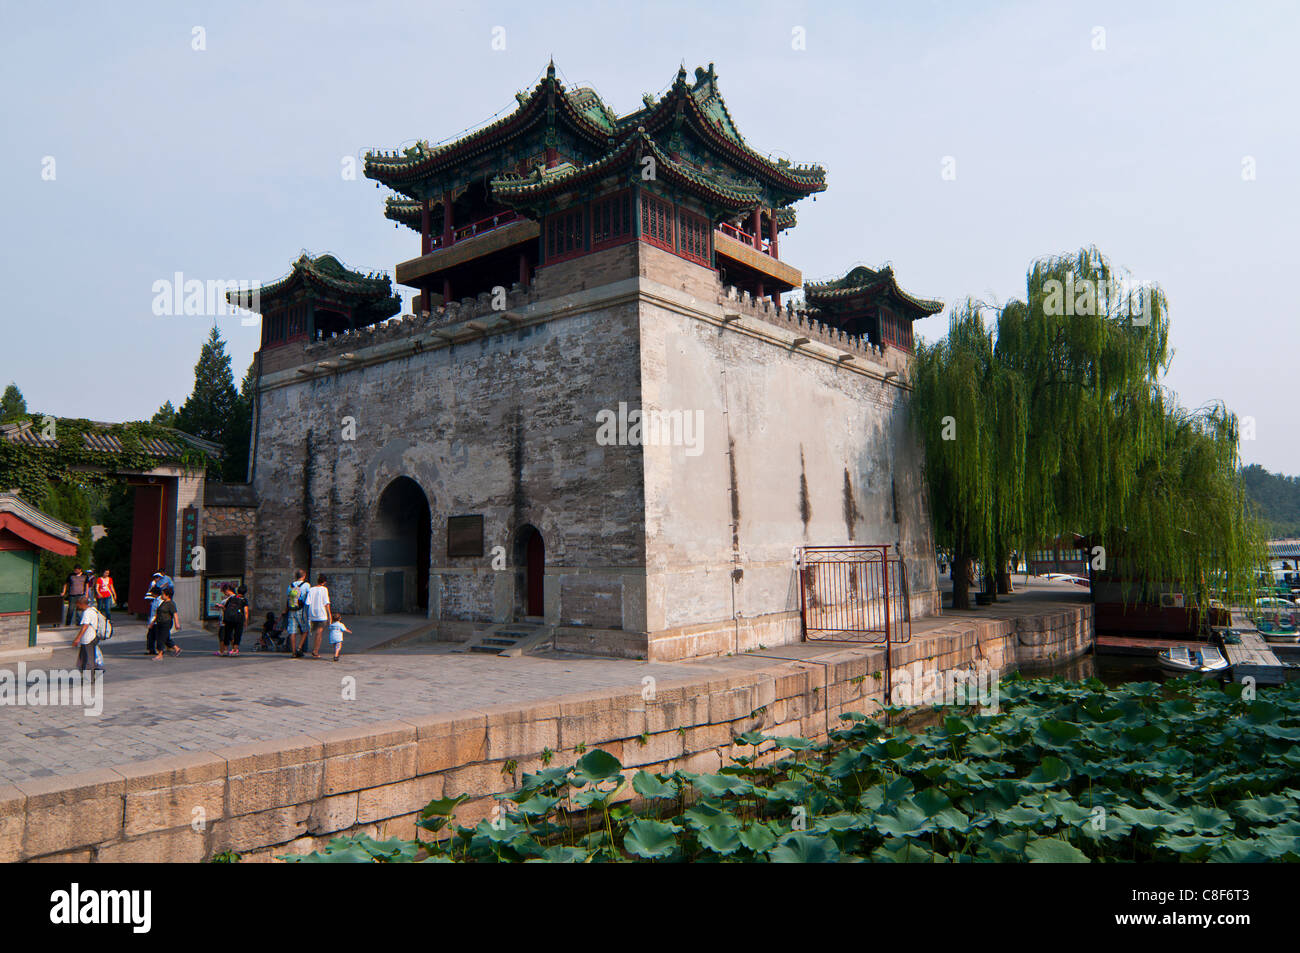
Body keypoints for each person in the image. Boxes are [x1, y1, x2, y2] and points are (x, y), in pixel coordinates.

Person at [72, 596, 105, 674]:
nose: (77, 606)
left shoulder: (86, 612)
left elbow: (85, 626)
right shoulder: (93, 610)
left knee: (88, 659)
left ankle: (89, 677)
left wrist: (77, 639)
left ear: (81, 604)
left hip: (88, 639)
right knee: (85, 658)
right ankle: (91, 674)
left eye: (77, 604)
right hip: (92, 638)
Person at [148, 587, 181, 660]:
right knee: (165, 638)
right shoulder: (163, 602)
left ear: (167, 595)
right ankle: (177, 648)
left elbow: (175, 614)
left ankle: (160, 655)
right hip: (159, 622)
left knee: (161, 638)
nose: (162, 595)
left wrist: (177, 624)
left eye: (163, 594)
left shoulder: (171, 604)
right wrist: (152, 623)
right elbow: (158, 614)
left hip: (166, 623)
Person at [302, 574, 330, 659]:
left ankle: (301, 647)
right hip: (321, 613)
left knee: (309, 631)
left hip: (312, 612)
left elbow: (307, 602)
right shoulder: (324, 589)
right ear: (324, 582)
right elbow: (326, 603)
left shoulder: (311, 589)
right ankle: (315, 651)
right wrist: (329, 615)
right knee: (319, 632)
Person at [285, 569, 311, 657]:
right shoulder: (306, 585)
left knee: (292, 631)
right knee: (305, 629)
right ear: (304, 576)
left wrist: (286, 609)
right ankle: (299, 648)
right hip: (301, 610)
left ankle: (293, 652)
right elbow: (309, 597)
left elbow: (288, 598)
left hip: (291, 610)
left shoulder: (290, 585)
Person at [221, 584, 249, 656]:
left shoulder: (232, 598)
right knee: (237, 634)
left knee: (227, 633)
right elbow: (246, 611)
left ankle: (225, 650)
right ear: (245, 592)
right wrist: (246, 621)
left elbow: (225, 608)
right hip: (239, 619)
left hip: (229, 619)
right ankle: (234, 650)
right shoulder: (244, 600)